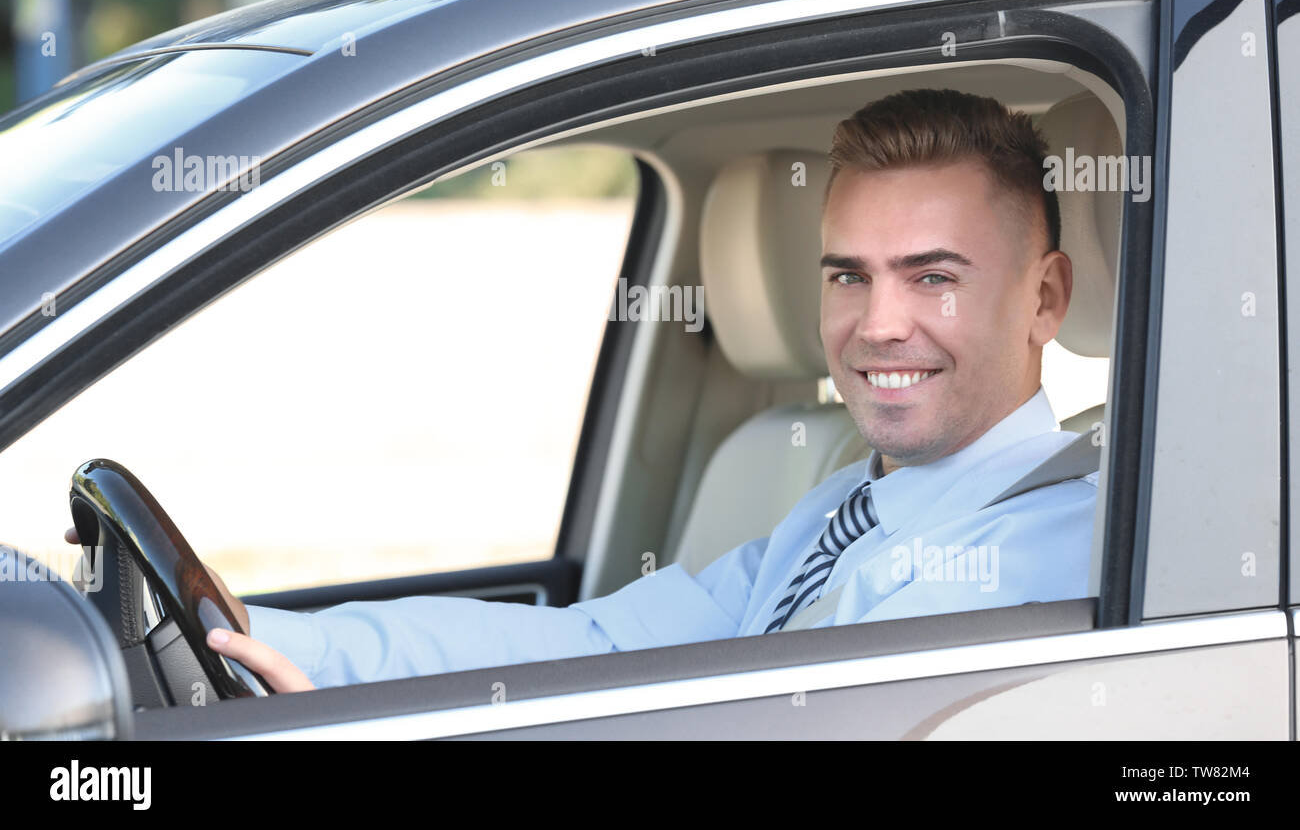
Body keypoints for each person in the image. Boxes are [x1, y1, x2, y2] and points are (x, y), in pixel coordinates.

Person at [199, 87, 1099, 692]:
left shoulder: (1034, 556)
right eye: (848, 276)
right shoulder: (851, 503)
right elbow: (599, 645)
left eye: (932, 276)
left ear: (1044, 298)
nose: (878, 324)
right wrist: (274, 636)